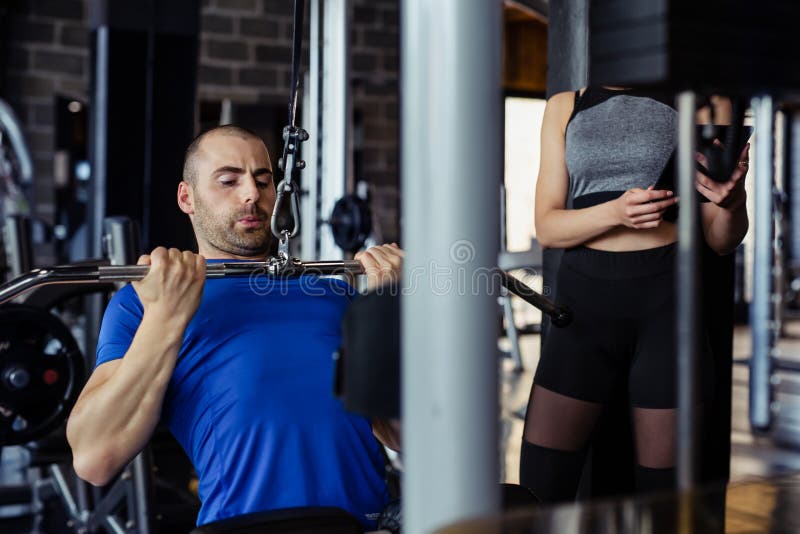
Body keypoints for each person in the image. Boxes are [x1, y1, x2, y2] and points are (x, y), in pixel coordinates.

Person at [65, 125, 403, 529]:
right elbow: (94, 458)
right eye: (229, 180)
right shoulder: (143, 303)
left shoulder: (335, 293)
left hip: (364, 526)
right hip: (246, 527)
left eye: (264, 181)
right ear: (186, 197)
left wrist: (388, 318)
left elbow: (408, 439)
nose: (251, 195)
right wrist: (165, 316)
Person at [519, 86, 750, 501]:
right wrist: (615, 212)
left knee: (666, 501)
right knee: (539, 491)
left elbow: (719, 240)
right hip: (582, 306)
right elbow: (548, 227)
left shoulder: (704, 103)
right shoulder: (565, 106)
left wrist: (733, 203)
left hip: (667, 305)